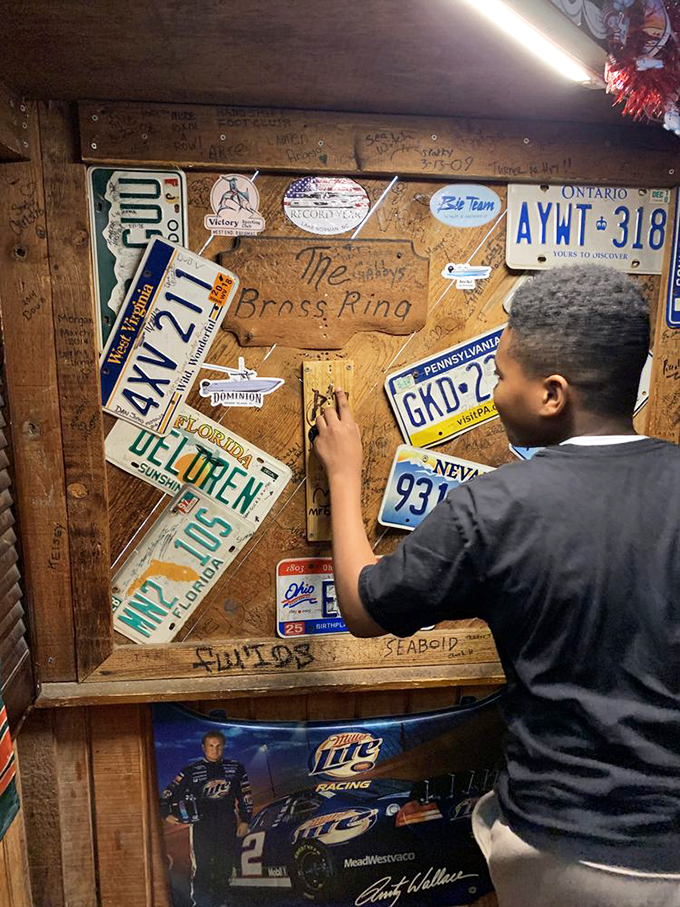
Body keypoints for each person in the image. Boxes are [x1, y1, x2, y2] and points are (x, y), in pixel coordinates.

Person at [313, 264, 680, 907]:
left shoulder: (495, 506)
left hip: (565, 851)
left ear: (552, 394)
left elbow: (365, 607)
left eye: (502, 376)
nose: (493, 390)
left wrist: (344, 476)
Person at [160, 730, 252, 907]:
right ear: (203, 747)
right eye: (210, 746)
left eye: (218, 746)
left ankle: (221, 902)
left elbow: (245, 795)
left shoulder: (236, 769)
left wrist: (245, 820)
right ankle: (201, 903)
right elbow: (168, 794)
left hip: (227, 823)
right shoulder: (190, 771)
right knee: (202, 867)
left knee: (224, 866)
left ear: (223, 747)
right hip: (202, 825)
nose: (214, 750)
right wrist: (165, 813)